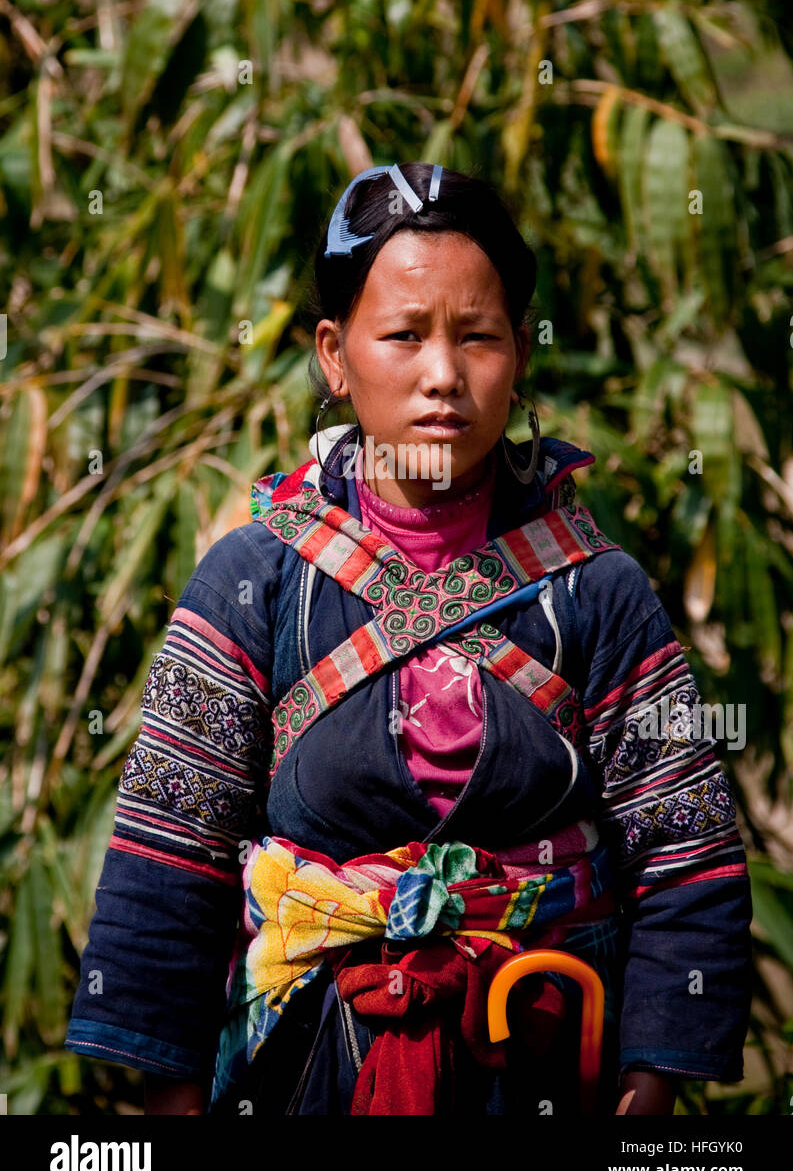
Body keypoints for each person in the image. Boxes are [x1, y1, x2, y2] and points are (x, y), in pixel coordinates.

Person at [65, 162, 753, 1116]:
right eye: (403, 336)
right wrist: (169, 1093)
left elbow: (686, 851)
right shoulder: (251, 582)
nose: (443, 376)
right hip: (306, 1071)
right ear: (333, 355)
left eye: (478, 338)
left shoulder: (600, 593)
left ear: (518, 354)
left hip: (546, 1064)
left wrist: (654, 1075)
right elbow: (168, 852)